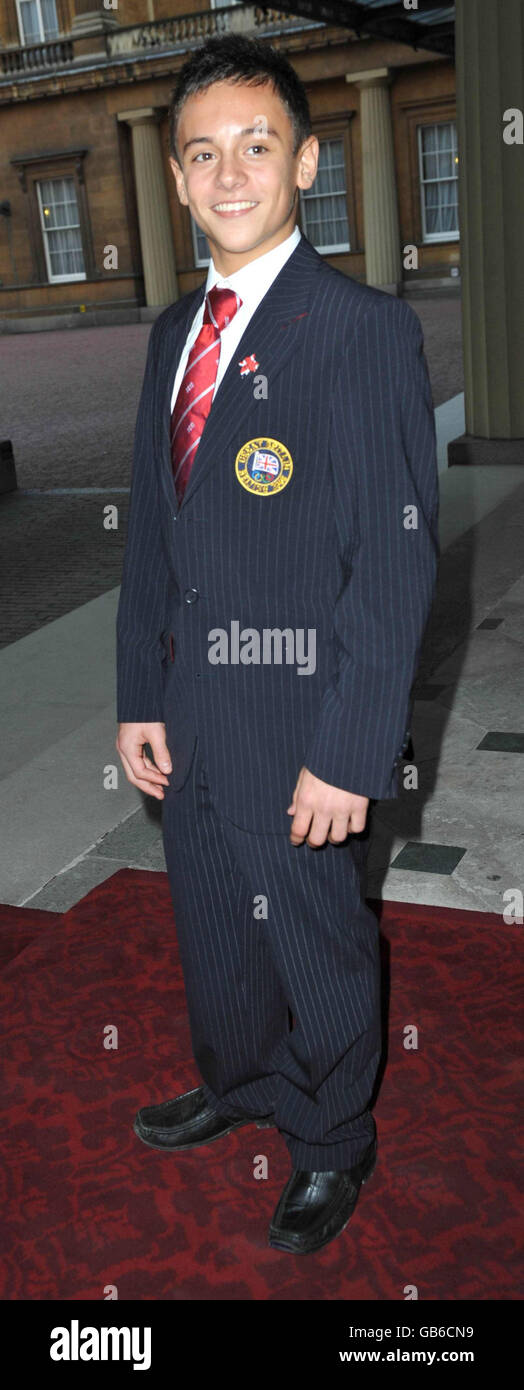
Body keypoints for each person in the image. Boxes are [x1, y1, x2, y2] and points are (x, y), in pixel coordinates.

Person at [116, 33, 439, 1256]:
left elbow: (395, 558)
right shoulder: (169, 334)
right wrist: (137, 689)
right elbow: (152, 528)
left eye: (257, 144)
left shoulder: (357, 330)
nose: (229, 172)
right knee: (211, 920)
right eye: (203, 153)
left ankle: (329, 1140)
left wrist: (352, 752)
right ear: (179, 181)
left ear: (305, 159)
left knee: (312, 934)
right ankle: (241, 1081)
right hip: (191, 710)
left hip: (304, 724)